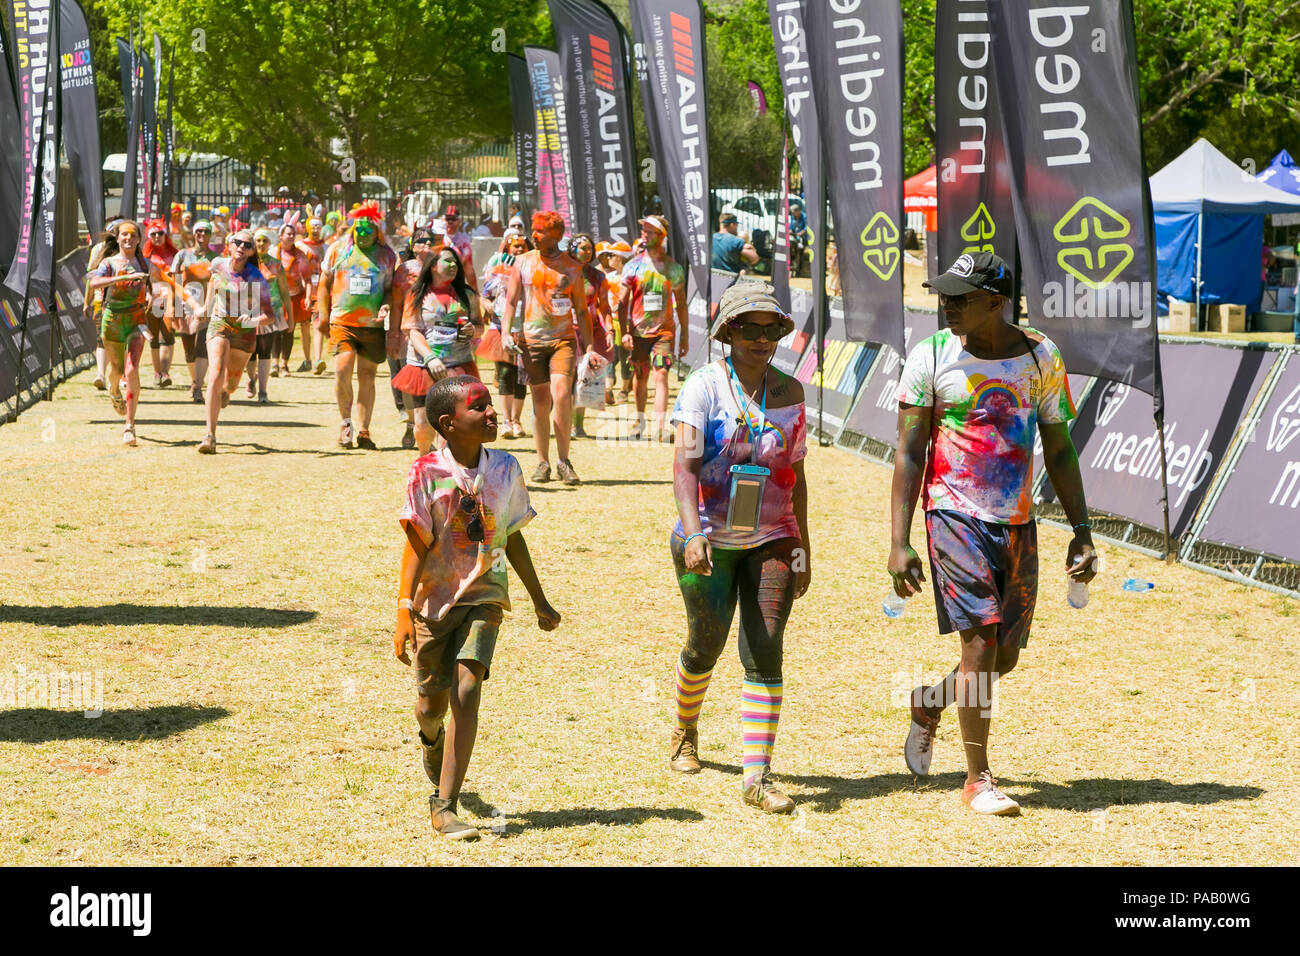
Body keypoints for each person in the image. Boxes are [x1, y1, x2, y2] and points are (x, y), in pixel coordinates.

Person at [890, 251, 1097, 816]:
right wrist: (899, 539)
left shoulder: (1040, 355)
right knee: (979, 644)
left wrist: (1081, 531)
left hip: (1019, 523)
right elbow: (909, 452)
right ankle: (978, 778)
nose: (946, 306)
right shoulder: (931, 356)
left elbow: (1058, 445)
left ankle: (929, 701)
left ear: (995, 301)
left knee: (1003, 658)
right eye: (944, 296)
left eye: (960, 297)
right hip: (952, 517)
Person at [394, 375, 560, 839]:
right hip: (434, 603)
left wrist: (539, 599)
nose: (492, 412)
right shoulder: (426, 472)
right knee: (431, 704)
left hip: (486, 594)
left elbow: (514, 535)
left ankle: (444, 804)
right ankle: (431, 738)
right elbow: (416, 545)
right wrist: (404, 608)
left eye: (491, 403)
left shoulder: (506, 468)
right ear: (449, 423)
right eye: (480, 406)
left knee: (466, 691)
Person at [668, 282, 809, 814]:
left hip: (774, 536)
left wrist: (804, 546)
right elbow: (683, 467)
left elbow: (796, 472)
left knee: (765, 644)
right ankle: (685, 729)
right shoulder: (702, 387)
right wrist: (694, 532)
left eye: (770, 329)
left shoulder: (791, 392)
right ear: (727, 332)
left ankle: (757, 776)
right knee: (705, 644)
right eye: (749, 328)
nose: (761, 338)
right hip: (707, 539)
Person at [501, 210, 596, 485]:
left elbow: (581, 310)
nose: (534, 235)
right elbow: (510, 301)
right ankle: (542, 462)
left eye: (540, 231)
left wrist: (588, 347)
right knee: (540, 401)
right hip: (531, 341)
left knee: (562, 395)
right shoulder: (522, 262)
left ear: (556, 235)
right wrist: (507, 332)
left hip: (562, 340)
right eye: (534, 230)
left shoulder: (572, 267)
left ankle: (564, 461)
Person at [85, 220, 182, 446]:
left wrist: (155, 295)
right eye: (124, 235)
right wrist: (121, 278)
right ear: (117, 239)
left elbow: (165, 282)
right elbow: (94, 282)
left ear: (139, 239)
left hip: (137, 321)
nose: (128, 238)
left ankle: (129, 426)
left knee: (131, 369)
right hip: (112, 321)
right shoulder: (108, 263)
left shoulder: (146, 264)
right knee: (117, 370)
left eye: (133, 235)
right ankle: (113, 389)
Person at [316, 201, 397, 449]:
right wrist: (322, 314)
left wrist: (386, 305)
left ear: (377, 231)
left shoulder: (387, 256)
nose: (361, 234)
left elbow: (389, 290)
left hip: (372, 325)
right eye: (357, 229)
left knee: (367, 376)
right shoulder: (337, 250)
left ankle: (364, 430)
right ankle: (345, 423)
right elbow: (323, 284)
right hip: (342, 322)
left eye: (367, 230)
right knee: (342, 369)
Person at [392, 245, 483, 453]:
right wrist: (430, 358)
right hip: (424, 366)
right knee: (423, 423)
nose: (453, 266)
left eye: (455, 263)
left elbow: (479, 327)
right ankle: (425, 459)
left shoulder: (467, 295)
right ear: (433, 266)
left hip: (457, 364)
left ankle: (446, 467)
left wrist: (472, 331)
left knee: (451, 423)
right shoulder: (417, 294)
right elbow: (412, 331)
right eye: (447, 261)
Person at [196, 230, 275, 453]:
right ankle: (209, 436)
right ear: (230, 245)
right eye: (237, 242)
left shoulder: (256, 277)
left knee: (229, 385)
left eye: (246, 245)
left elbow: (269, 315)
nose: (241, 246)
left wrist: (252, 320)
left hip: (245, 331)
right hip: (220, 323)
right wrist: (206, 306)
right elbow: (213, 282)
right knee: (215, 373)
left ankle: (226, 391)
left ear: (251, 252)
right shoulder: (218, 265)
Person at [619, 215, 688, 442]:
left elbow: (681, 304)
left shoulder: (673, 269)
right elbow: (622, 303)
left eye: (650, 231)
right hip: (638, 332)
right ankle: (639, 421)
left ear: (661, 236)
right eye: (644, 231)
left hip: (664, 333)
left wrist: (685, 335)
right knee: (641, 376)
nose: (645, 235)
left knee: (662, 374)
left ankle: (660, 426)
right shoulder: (632, 266)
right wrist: (625, 331)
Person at [479, 231, 530, 439]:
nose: (518, 249)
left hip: (524, 330)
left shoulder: (531, 271)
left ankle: (517, 420)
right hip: (501, 329)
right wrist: (488, 305)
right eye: (515, 246)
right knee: (505, 375)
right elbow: (484, 295)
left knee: (521, 378)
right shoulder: (498, 273)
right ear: (507, 249)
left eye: (522, 246)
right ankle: (507, 420)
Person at [390, 230, 438, 449]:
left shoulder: (441, 266)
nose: (427, 243)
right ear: (413, 245)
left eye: (431, 240)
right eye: (422, 240)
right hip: (405, 330)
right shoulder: (405, 269)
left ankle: (432, 427)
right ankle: (412, 422)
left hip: (432, 332)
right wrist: (393, 332)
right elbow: (397, 303)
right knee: (406, 381)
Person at [568, 234, 614, 439]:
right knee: (566, 379)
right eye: (582, 248)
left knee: (584, 378)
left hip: (590, 333)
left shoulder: (598, 277)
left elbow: (605, 308)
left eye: (589, 249)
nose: (587, 252)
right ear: (572, 249)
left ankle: (577, 426)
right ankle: (564, 421)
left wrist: (610, 330)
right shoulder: (563, 272)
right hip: (565, 332)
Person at [170, 220, 221, 403]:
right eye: (198, 231)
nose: (202, 235)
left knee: (202, 347)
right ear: (193, 234)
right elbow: (173, 282)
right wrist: (174, 306)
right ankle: (194, 380)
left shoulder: (216, 258)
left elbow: (220, 282)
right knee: (189, 350)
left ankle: (198, 386)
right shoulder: (182, 255)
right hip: (186, 307)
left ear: (210, 235)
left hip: (207, 307)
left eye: (205, 231)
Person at [246, 228, 294, 403]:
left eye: (264, 241)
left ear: (269, 243)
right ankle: (251, 379)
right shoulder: (247, 263)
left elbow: (285, 292)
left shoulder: (276, 264)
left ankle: (263, 391)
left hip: (271, 312)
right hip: (249, 312)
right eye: (258, 241)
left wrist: (291, 318)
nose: (261, 244)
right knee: (250, 352)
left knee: (265, 351)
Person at [274, 221, 316, 376]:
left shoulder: (300, 255)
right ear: (281, 236)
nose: (291, 236)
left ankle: (284, 365)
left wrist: (307, 296)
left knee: (289, 331)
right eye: (288, 234)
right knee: (277, 331)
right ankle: (274, 364)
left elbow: (308, 278)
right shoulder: (273, 253)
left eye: (293, 234)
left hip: (294, 295)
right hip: (277, 297)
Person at [142, 219, 179, 388]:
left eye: (160, 233)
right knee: (154, 336)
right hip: (152, 300)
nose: (157, 237)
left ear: (166, 235)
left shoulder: (175, 254)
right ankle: (158, 373)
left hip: (171, 299)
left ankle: (165, 372)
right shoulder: (145, 256)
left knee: (168, 335)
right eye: (153, 234)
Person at [597, 240, 634, 403]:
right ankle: (608, 388)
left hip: (629, 323)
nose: (608, 257)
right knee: (610, 355)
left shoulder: (633, 276)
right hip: (611, 323)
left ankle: (625, 389)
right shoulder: (609, 278)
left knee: (625, 356)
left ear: (620, 258)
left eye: (612, 255)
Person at [441, 206, 478, 291]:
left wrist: (475, 292)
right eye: (447, 219)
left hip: (456, 285)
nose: (450, 222)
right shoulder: (438, 237)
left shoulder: (464, 242)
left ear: (459, 221)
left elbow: (469, 269)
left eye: (453, 219)